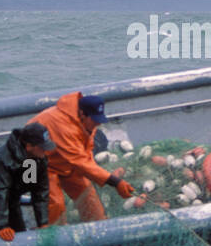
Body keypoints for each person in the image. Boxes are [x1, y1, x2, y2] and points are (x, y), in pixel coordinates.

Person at [28, 92, 134, 225]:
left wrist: (101, 177)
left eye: (99, 120)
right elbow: (79, 161)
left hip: (62, 161)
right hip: (31, 164)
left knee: (90, 199)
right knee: (56, 204)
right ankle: (52, 237)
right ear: (82, 114)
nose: (97, 124)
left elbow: (85, 155)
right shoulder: (62, 125)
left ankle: (98, 232)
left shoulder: (88, 123)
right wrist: (115, 182)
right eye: (94, 120)